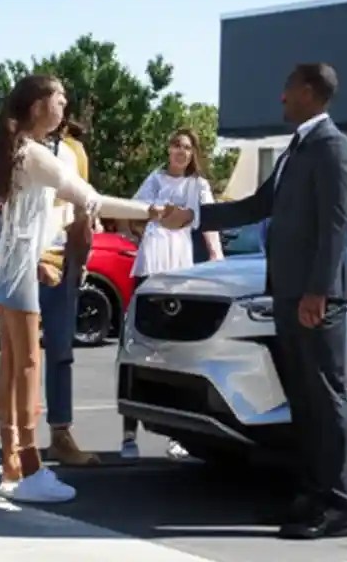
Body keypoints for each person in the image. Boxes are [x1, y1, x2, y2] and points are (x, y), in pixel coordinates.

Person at [161, 63, 347, 540]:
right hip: (288, 294)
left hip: (315, 298)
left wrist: (317, 290)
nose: (282, 97)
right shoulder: (297, 147)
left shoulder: (332, 147)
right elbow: (257, 206)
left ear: (309, 92)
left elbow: (336, 224)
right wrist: (192, 216)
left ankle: (340, 507)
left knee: (325, 400)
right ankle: (311, 497)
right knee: (304, 403)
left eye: (288, 88)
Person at [0, 73, 155, 504]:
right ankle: (29, 470)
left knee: (12, 364)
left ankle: (12, 464)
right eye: (59, 98)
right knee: (27, 365)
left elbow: (44, 215)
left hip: (7, 260)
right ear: (39, 105)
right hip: (19, 264)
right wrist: (151, 211)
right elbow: (87, 198)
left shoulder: (16, 147)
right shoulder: (35, 153)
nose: (64, 105)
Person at [121, 128, 224, 460]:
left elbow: (209, 224)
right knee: (136, 347)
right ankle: (128, 435)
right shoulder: (155, 180)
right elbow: (132, 212)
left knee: (178, 354)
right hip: (151, 267)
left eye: (187, 147)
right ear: (168, 149)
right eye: (176, 145)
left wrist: (215, 257)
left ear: (194, 153)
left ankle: (178, 434)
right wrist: (142, 230)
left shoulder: (198, 186)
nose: (180, 151)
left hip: (180, 272)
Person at [38, 118, 103, 467]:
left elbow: (84, 209)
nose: (61, 107)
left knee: (61, 351)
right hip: (28, 264)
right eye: (55, 99)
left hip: (65, 262)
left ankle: (60, 435)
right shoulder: (22, 145)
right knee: (21, 358)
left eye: (64, 100)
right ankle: (14, 442)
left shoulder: (74, 151)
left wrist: (82, 257)